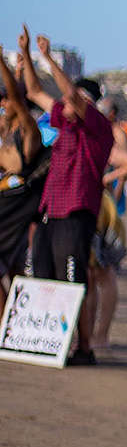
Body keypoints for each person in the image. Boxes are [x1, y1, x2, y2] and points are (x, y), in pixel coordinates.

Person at [26, 36, 115, 364]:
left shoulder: (98, 127)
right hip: (51, 210)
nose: (64, 106)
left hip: (76, 212)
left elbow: (71, 98)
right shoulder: (64, 124)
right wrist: (23, 55)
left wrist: (49, 59)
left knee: (73, 280)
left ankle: (85, 347)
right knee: (44, 276)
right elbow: (34, 93)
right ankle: (48, 340)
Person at [0, 35, 47, 293]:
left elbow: (18, 98)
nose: (3, 104)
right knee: (15, 269)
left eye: (6, 101)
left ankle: (6, 327)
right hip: (11, 203)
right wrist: (18, 70)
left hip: (19, 204)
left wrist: (3, 62)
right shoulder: (7, 130)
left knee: (12, 269)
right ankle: (13, 326)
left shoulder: (28, 129)